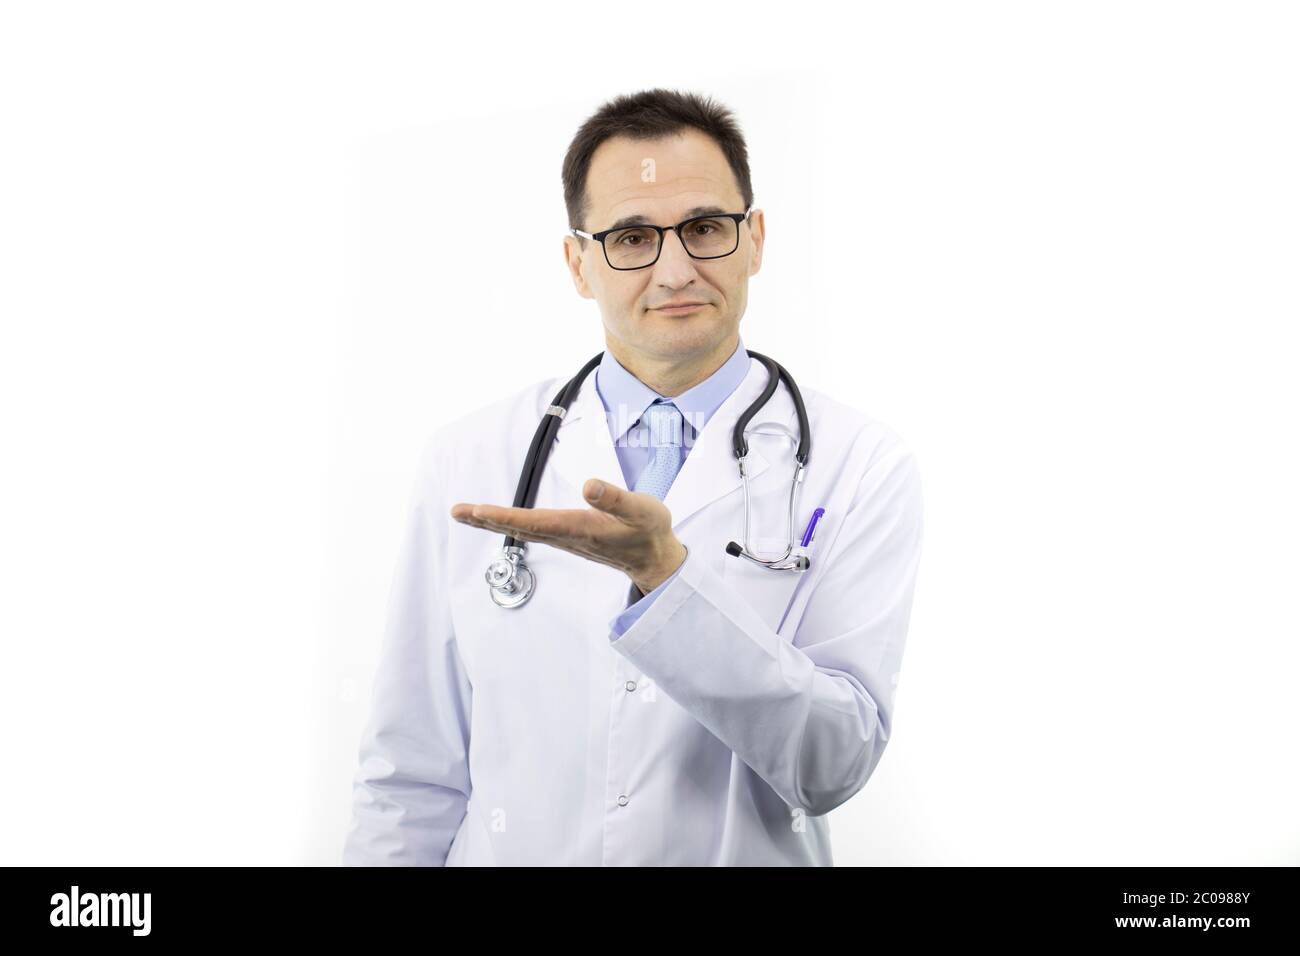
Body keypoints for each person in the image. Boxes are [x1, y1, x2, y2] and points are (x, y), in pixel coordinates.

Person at [342, 88, 925, 866]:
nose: (676, 268)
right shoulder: (470, 458)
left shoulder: (861, 465)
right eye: (631, 237)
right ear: (579, 264)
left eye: (705, 228)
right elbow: (408, 775)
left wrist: (667, 580)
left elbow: (833, 764)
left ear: (754, 240)